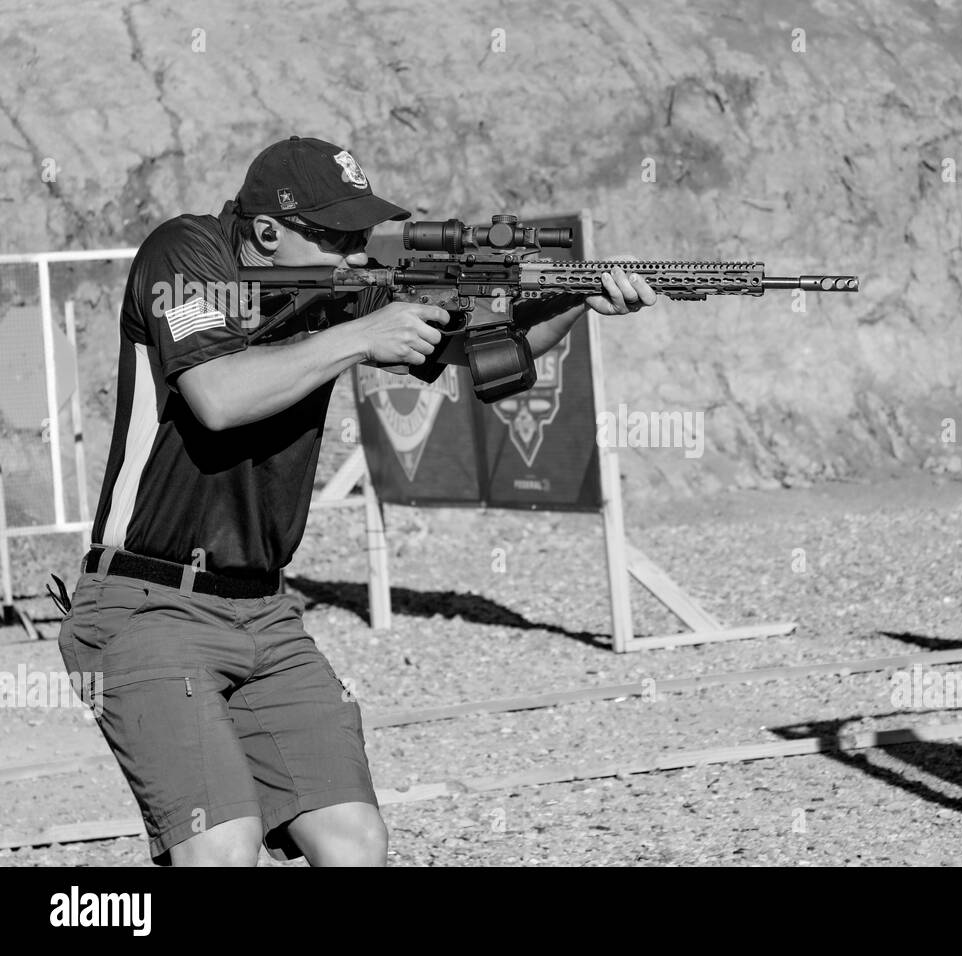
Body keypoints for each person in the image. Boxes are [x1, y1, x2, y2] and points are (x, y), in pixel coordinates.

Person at [56, 135, 657, 866]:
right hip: (146, 603)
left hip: (266, 612)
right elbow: (218, 397)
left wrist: (575, 298)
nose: (354, 251)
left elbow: (496, 359)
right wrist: (362, 334)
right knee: (221, 847)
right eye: (336, 234)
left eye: (359, 233)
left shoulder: (344, 288)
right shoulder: (186, 253)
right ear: (268, 231)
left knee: (354, 841)